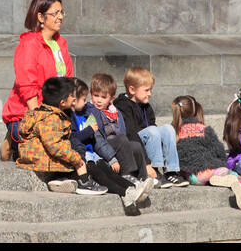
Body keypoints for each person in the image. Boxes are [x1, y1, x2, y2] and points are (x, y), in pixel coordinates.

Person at [1, 0, 72, 161]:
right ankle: (12, 140)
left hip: (56, 110)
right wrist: (40, 119)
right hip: (27, 112)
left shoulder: (60, 43)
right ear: (41, 17)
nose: (60, 17)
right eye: (55, 13)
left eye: (62, 12)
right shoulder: (29, 44)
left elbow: (68, 78)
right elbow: (27, 85)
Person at [68, 81, 153, 209]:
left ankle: (134, 187)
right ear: (74, 100)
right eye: (85, 99)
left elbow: (98, 139)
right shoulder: (72, 117)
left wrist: (110, 157)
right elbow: (73, 138)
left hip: (95, 154)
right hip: (85, 157)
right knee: (105, 175)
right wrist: (90, 131)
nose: (87, 102)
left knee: (129, 152)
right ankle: (127, 191)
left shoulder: (87, 114)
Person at [16, 75, 98, 193]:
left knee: (73, 147)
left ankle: (63, 179)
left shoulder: (44, 112)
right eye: (71, 95)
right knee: (75, 153)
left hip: (36, 158)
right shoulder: (51, 119)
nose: (74, 99)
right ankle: (82, 182)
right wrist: (76, 158)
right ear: (62, 102)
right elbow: (55, 146)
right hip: (40, 162)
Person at [172, 94, 241, 210]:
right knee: (237, 177)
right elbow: (218, 150)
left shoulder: (174, 131)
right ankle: (237, 185)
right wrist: (223, 163)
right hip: (213, 169)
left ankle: (214, 180)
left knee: (202, 175)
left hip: (193, 176)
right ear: (195, 109)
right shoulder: (204, 129)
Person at [115, 66, 188, 187]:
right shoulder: (123, 106)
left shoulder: (146, 105)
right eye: (146, 90)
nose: (150, 94)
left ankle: (171, 171)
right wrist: (147, 164)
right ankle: (154, 171)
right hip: (133, 145)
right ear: (132, 89)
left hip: (147, 142)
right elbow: (131, 134)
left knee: (168, 129)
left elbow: (152, 124)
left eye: (151, 90)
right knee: (153, 131)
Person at [87, 72, 150, 179]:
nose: (98, 100)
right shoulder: (89, 112)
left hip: (119, 144)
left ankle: (143, 177)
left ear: (111, 98)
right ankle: (127, 175)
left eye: (103, 97)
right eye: (95, 95)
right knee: (122, 140)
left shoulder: (116, 112)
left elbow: (123, 132)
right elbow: (96, 139)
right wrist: (111, 157)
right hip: (103, 146)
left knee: (135, 146)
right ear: (91, 93)